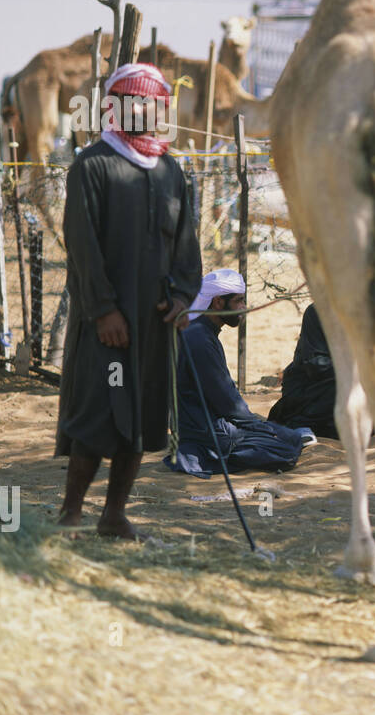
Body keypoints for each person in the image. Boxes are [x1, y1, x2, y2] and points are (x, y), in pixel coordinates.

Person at [56, 63, 201, 539]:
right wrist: (103, 311)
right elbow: (81, 245)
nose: (142, 108)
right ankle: (71, 515)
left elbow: (185, 245)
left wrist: (182, 298)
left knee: (141, 416)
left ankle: (114, 514)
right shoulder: (91, 166)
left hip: (153, 323)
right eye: (132, 99)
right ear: (114, 106)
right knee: (99, 413)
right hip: (107, 324)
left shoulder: (169, 170)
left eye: (151, 101)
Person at [167, 269, 308, 477]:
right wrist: (260, 426)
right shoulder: (200, 339)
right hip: (208, 430)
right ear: (217, 303)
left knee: (291, 437)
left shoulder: (201, 332)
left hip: (203, 423)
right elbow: (228, 403)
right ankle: (209, 457)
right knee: (287, 448)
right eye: (238, 301)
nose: (243, 308)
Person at [268, 304, 339, 440]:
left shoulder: (373, 309)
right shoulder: (318, 311)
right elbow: (317, 365)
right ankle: (297, 426)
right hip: (311, 390)